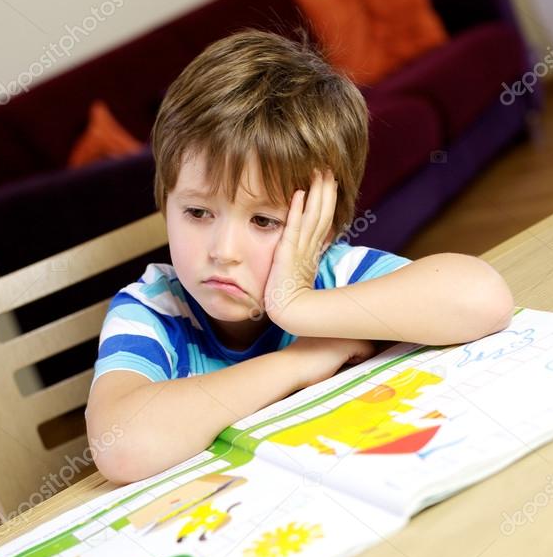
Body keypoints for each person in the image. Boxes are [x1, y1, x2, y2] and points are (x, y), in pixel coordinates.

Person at [85, 29, 513, 484]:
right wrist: (300, 360)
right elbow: (121, 446)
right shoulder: (154, 310)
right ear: (165, 204)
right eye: (197, 212)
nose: (223, 251)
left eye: (263, 220)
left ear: (321, 228)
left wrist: (296, 305)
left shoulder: (333, 277)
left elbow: (481, 298)